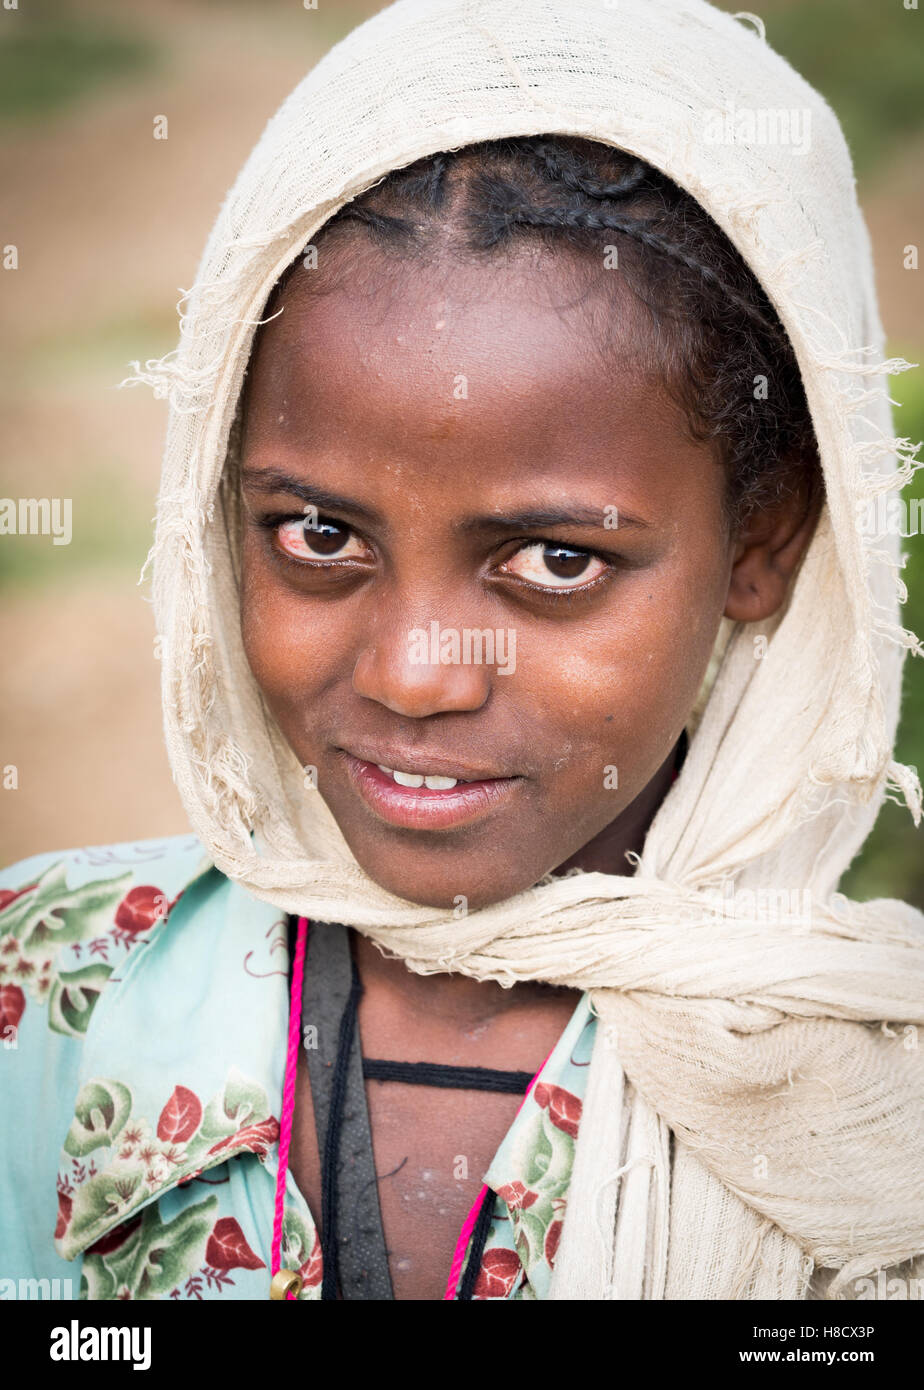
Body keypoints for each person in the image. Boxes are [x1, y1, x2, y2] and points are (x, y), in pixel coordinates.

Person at [2, 0, 923, 1303]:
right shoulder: (47, 995)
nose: (412, 674)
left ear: (761, 539)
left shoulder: (879, 1111)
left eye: (556, 560)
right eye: (319, 533)